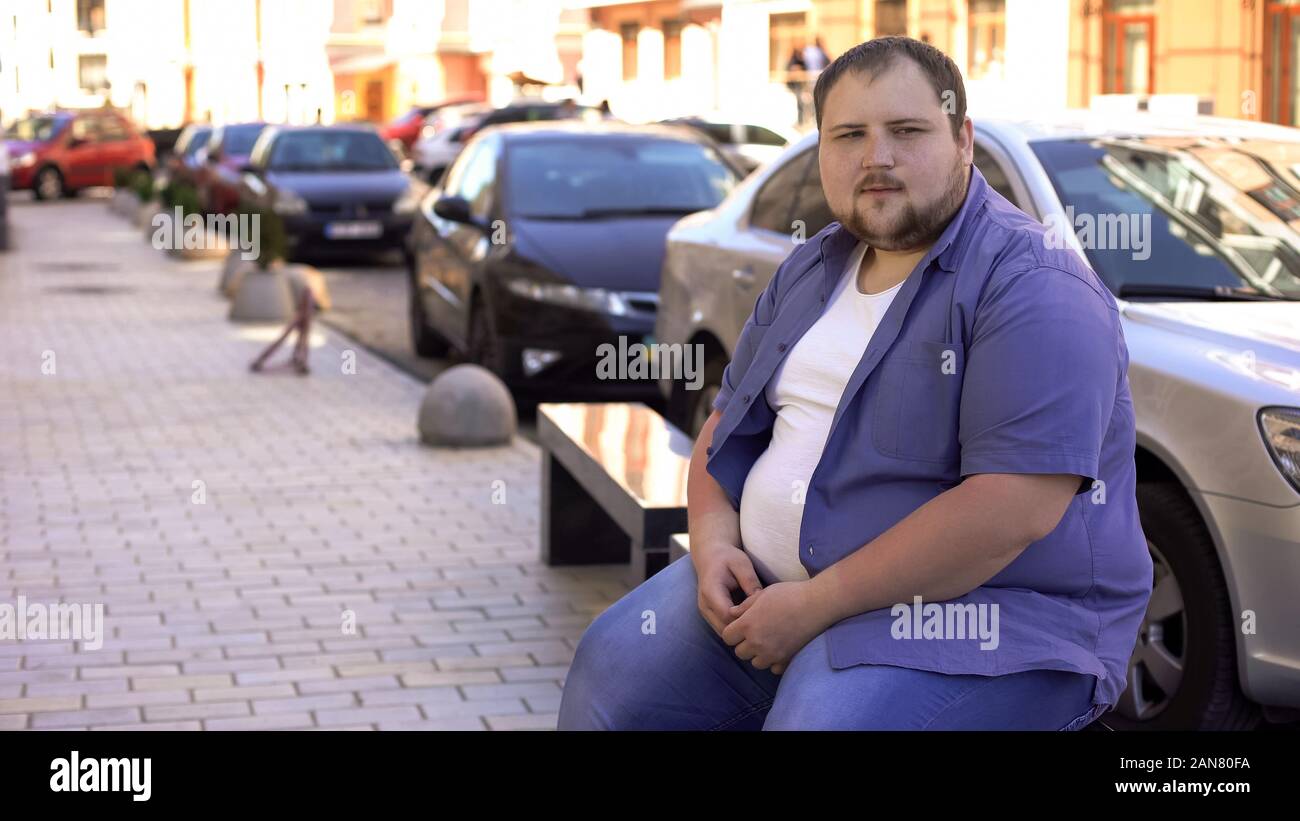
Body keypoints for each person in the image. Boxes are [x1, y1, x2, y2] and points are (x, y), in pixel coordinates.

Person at [557, 35, 1152, 731]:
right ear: (821, 152)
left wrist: (814, 606)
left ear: (962, 139)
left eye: (906, 131)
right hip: (772, 592)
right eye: (850, 135)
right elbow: (727, 424)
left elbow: (1009, 510)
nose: (877, 157)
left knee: (822, 721)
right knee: (611, 670)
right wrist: (715, 542)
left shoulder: (1034, 285)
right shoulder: (810, 269)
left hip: (985, 624)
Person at [785, 47, 808, 126]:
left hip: (800, 86)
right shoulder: (792, 60)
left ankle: (801, 120)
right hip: (794, 86)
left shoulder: (802, 61)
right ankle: (800, 120)